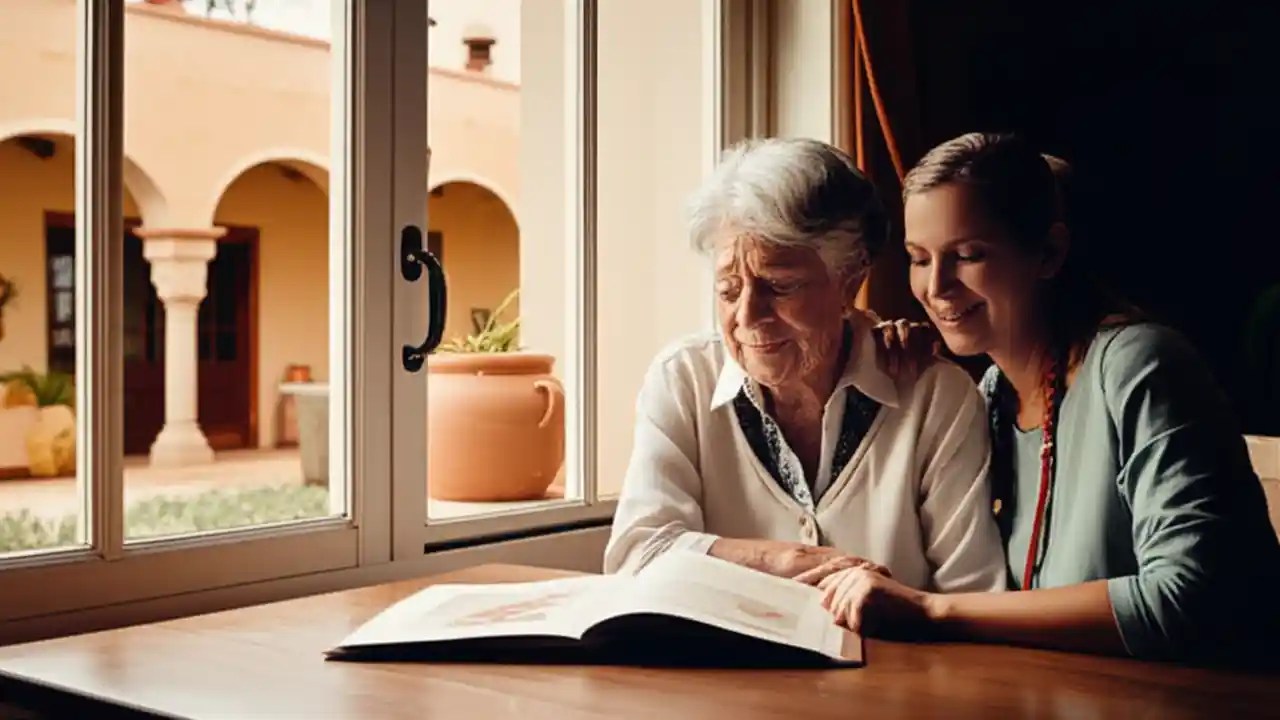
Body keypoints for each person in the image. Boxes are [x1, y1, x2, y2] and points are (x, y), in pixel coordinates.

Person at [804, 132, 1280, 665]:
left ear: (1049, 252)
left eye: (967, 255)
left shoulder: (1139, 365)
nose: (936, 287)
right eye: (919, 258)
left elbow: (1189, 598)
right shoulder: (988, 398)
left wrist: (934, 610)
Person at [602, 137, 1006, 596]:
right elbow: (638, 554)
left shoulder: (935, 398)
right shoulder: (682, 380)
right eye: (729, 290)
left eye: (779, 286)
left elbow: (971, 594)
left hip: (898, 667)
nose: (748, 316)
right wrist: (781, 559)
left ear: (848, 281)